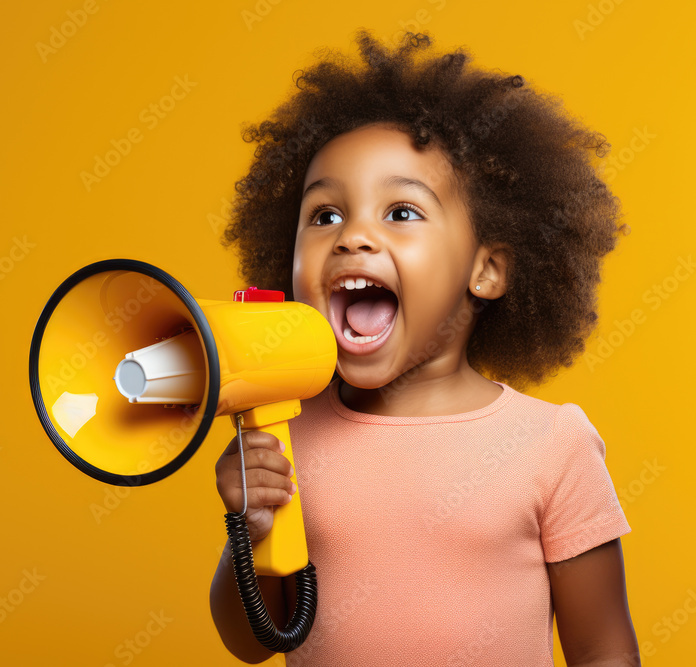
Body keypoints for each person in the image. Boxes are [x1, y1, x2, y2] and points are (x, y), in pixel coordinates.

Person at [209, 31, 639, 666]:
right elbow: (252, 643)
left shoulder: (553, 444)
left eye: (402, 212)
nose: (352, 237)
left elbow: (604, 649)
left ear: (486, 270)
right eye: (324, 216)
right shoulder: (286, 438)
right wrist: (249, 529)